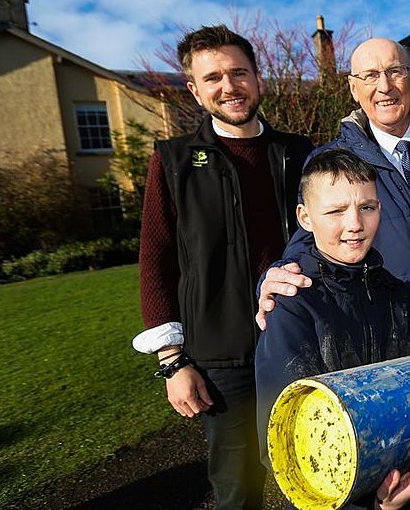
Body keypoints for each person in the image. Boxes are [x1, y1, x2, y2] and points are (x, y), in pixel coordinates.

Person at [131, 25, 313, 509]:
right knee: (238, 489)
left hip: (305, 340)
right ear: (194, 89)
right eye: (213, 77)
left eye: (238, 72)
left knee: (324, 473)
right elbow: (155, 259)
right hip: (221, 355)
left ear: (258, 78)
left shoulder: (300, 153)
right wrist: (173, 361)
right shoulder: (172, 161)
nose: (228, 86)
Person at [255, 149, 410, 509]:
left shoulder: (398, 295)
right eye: (334, 211)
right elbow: (286, 448)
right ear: (305, 217)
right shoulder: (292, 305)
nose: (355, 224)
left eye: (368, 207)